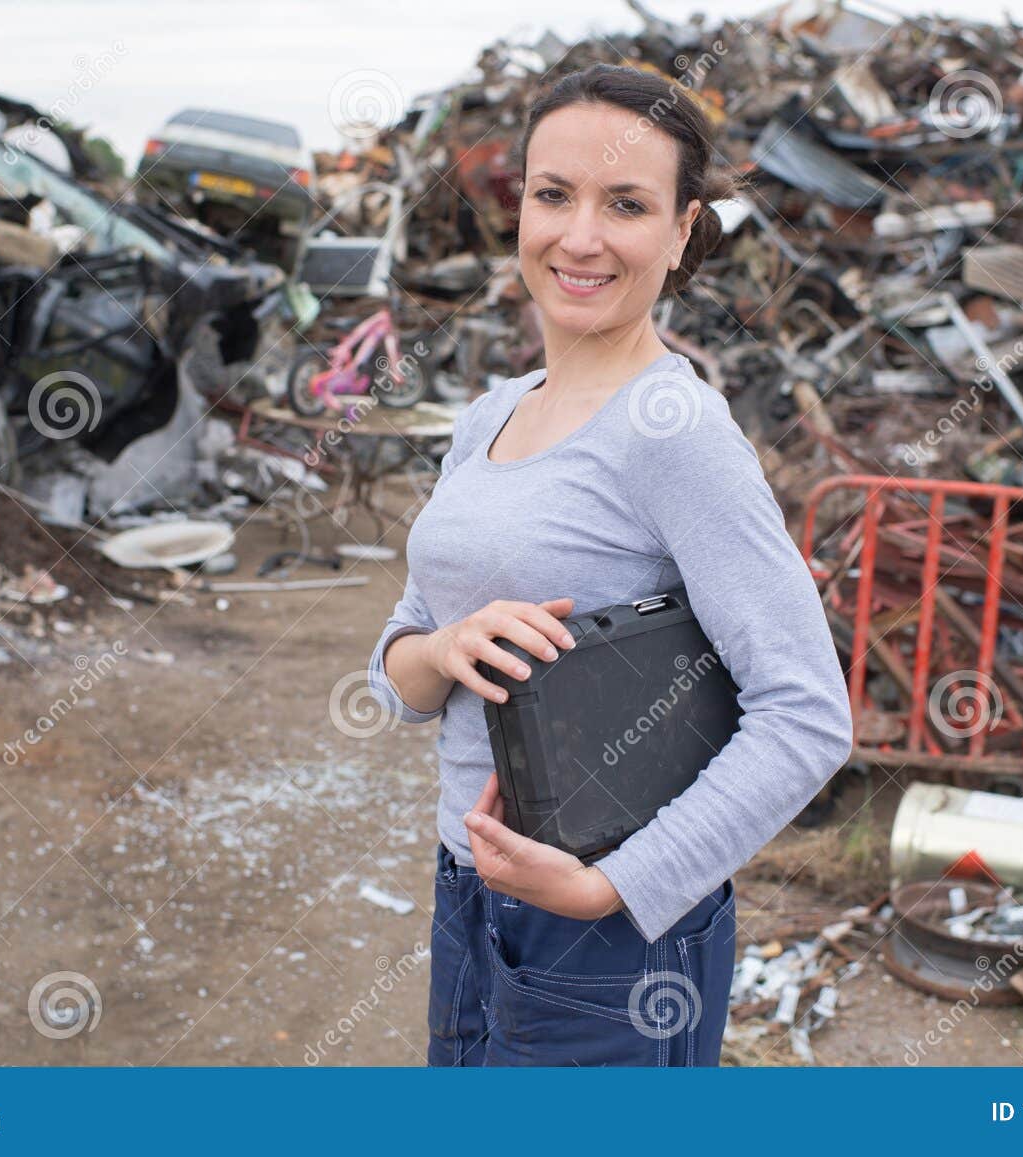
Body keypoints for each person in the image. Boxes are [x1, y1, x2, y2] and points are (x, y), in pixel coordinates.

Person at [366, 63, 853, 1066]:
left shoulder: (674, 430)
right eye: (553, 195)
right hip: (468, 894)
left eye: (625, 204)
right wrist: (447, 643)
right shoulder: (490, 413)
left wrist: (609, 887)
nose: (579, 237)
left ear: (680, 233)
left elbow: (806, 714)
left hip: (607, 941)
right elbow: (403, 667)